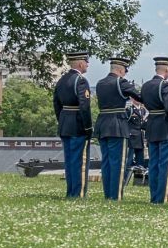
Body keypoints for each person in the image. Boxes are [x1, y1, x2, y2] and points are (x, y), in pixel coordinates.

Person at [93, 57, 144, 201]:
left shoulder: (100, 83)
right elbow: (139, 97)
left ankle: (107, 193)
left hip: (102, 124)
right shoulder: (121, 82)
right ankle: (115, 195)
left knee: (107, 161)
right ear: (121, 70)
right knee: (118, 162)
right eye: (125, 71)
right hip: (117, 125)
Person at [52, 50, 93, 199]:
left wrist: (62, 120)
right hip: (77, 125)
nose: (88, 65)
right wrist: (88, 127)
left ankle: (70, 192)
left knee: (69, 161)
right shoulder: (81, 81)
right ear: (81, 63)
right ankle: (78, 193)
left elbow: (56, 104)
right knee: (79, 162)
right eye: (87, 62)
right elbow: (85, 106)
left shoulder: (62, 80)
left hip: (65, 123)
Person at [141, 56, 168, 205]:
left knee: (153, 163)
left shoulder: (146, 86)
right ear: (167, 70)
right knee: (165, 164)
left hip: (151, 125)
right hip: (165, 126)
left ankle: (154, 196)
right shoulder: (165, 86)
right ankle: (162, 197)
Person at [123, 100, 148, 187]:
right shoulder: (129, 109)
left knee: (140, 161)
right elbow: (125, 122)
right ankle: (124, 180)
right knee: (129, 161)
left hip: (140, 137)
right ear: (132, 99)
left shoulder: (142, 110)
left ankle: (139, 181)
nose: (138, 101)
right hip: (132, 137)